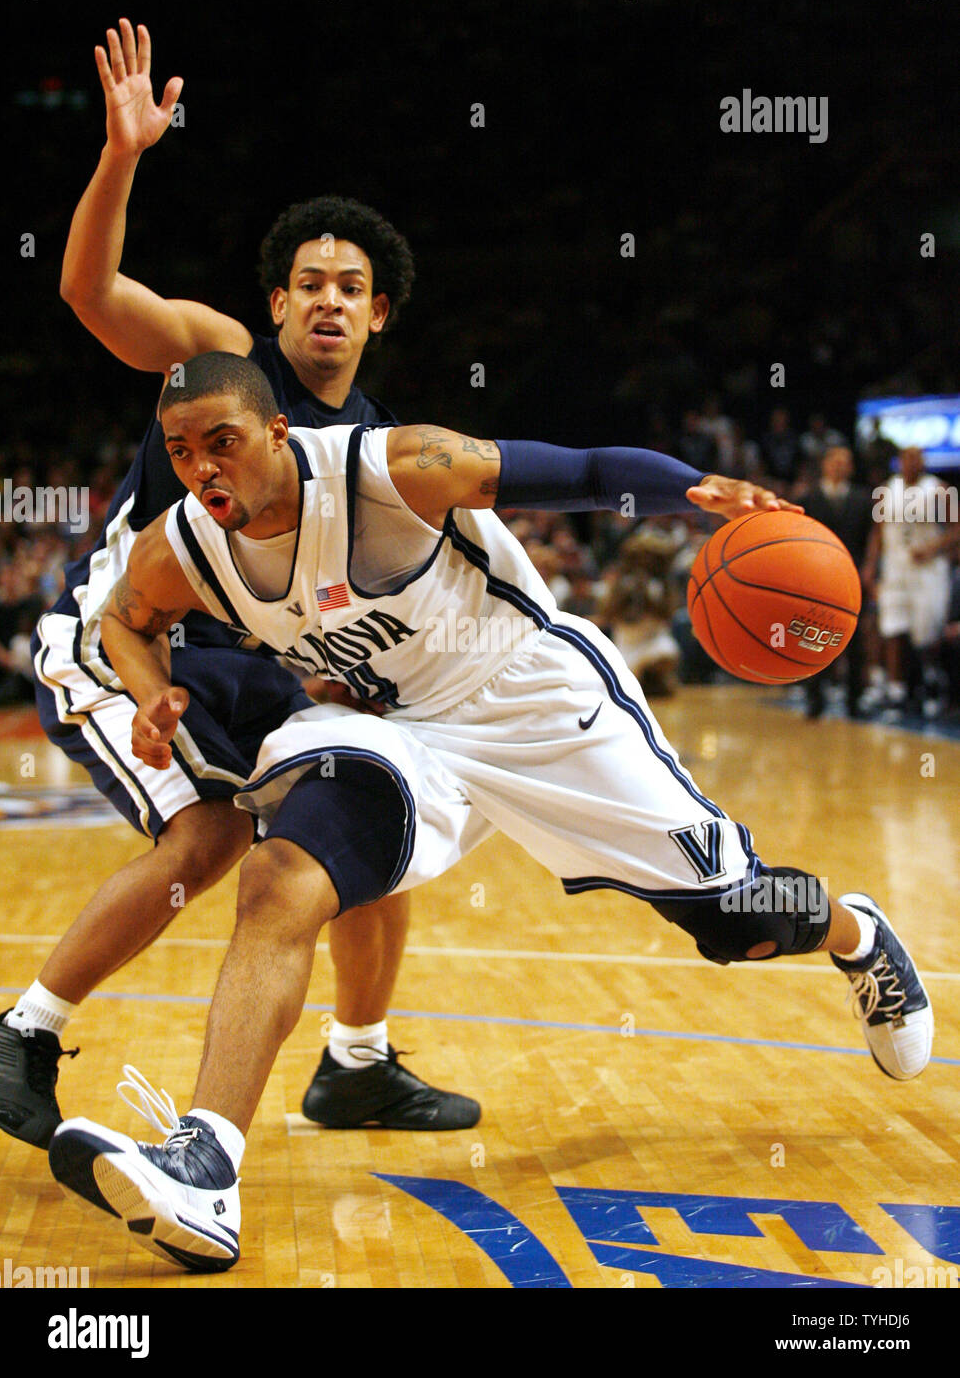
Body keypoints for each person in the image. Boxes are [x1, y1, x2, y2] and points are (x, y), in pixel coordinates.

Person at [48, 353, 933, 1272]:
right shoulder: (183, 541)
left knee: (732, 920)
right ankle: (206, 1169)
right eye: (183, 452)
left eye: (222, 444)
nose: (201, 471)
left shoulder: (392, 469)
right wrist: (150, 693)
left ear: (278, 432)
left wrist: (701, 490)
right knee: (279, 878)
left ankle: (853, 934)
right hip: (407, 734)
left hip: (534, 701)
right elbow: (125, 619)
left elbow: (586, 474)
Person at [0, 19, 479, 1150]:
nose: (324, 300)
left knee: (371, 793)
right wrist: (122, 155)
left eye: (347, 287)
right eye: (305, 282)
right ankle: (23, 1031)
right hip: (117, 631)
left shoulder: (375, 449)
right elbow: (88, 290)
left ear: (377, 314)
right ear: (272, 306)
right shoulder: (225, 359)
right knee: (208, 839)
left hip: (240, 667)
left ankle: (356, 1063)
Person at [862, 445, 952, 719]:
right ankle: (895, 693)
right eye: (906, 457)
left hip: (928, 568)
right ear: (899, 461)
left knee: (927, 632)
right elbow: (877, 532)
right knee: (892, 629)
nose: (911, 461)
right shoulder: (886, 490)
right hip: (895, 568)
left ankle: (932, 687)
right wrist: (870, 565)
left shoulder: (940, 489)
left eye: (916, 457)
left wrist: (934, 546)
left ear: (923, 461)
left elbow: (957, 529)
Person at [799, 444, 874, 719]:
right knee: (812, 639)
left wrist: (869, 566)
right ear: (825, 464)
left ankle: (854, 702)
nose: (840, 465)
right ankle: (814, 699)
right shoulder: (808, 497)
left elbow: (873, 537)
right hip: (817, 577)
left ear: (851, 467)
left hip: (851, 577)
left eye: (846, 461)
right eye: (835, 460)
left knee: (855, 642)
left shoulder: (863, 498)